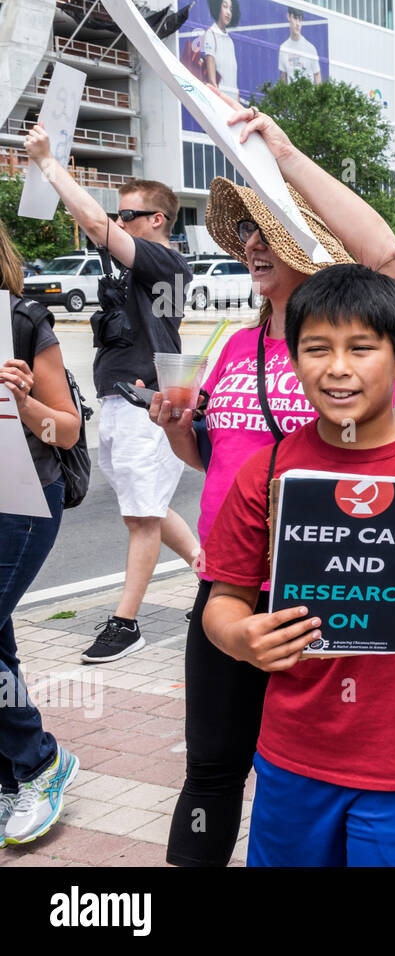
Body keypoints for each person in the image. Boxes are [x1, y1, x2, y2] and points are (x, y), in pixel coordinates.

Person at [144, 90, 395, 865]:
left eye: (270, 230)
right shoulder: (229, 342)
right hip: (227, 585)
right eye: (247, 233)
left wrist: (286, 156)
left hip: (328, 584)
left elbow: (385, 254)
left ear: (306, 237)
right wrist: (177, 430)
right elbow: (214, 460)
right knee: (212, 764)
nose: (254, 245)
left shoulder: (344, 338)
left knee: (313, 774)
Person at [199, 266, 395, 866]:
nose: (338, 367)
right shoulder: (270, 471)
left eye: (362, 348)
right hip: (292, 749)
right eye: (316, 349)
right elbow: (222, 601)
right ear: (293, 359)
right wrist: (239, 637)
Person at [24, 125, 199, 664]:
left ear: (156, 221)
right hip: (124, 402)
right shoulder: (136, 268)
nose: (118, 221)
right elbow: (97, 226)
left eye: (129, 215)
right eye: (119, 214)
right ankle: (212, 572)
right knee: (145, 506)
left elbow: (96, 225)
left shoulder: (163, 261)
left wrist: (51, 166)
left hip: (147, 405)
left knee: (140, 519)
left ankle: (126, 623)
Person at [0, 219, 82, 847]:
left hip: (21, 501)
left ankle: (38, 763)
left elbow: (69, 431)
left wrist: (22, 401)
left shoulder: (23, 321)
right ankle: (18, 769)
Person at [202, 0, 240, 104]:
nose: (228, 12)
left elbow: (232, 75)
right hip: (221, 101)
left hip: (233, 102)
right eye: (225, 7)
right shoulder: (211, 34)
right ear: (218, 7)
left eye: (230, 9)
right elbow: (212, 80)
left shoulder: (230, 41)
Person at [277, 7, 321, 84]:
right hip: (291, 95)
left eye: (300, 20)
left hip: (308, 94)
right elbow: (283, 79)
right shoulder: (283, 48)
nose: (298, 24)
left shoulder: (310, 48)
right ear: (288, 16)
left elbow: (317, 77)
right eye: (295, 18)